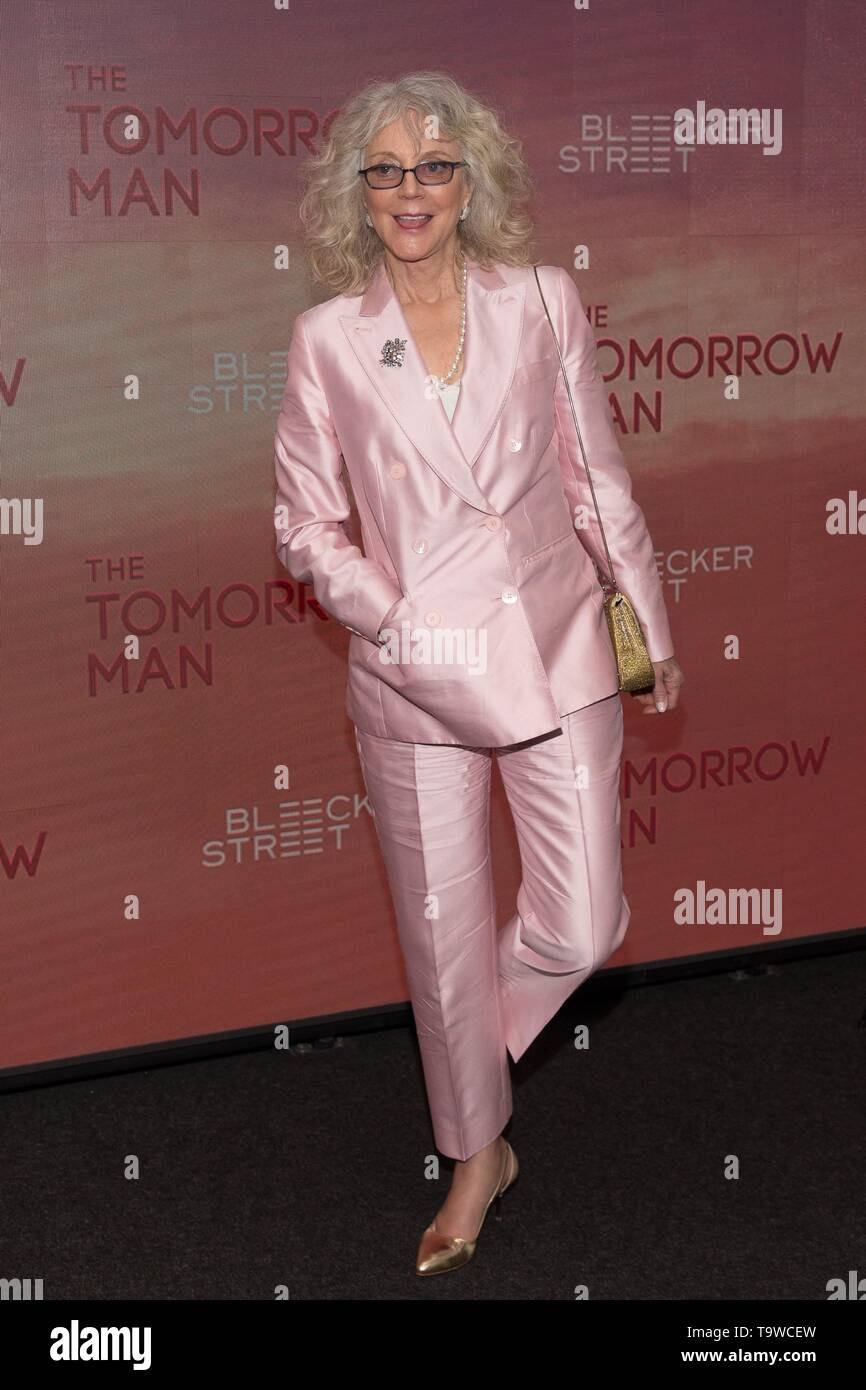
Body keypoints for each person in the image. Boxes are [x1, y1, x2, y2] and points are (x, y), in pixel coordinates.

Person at [274, 70, 684, 1276]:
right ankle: (475, 1154)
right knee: (441, 938)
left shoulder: (542, 302)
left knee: (581, 919)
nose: (412, 191)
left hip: (554, 654)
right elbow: (303, 527)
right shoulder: (326, 341)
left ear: (472, 183)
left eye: (435, 167)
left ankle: (465, 1056)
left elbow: (594, 478)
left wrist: (646, 627)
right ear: (358, 191)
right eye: (388, 169)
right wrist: (396, 621)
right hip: (413, 682)